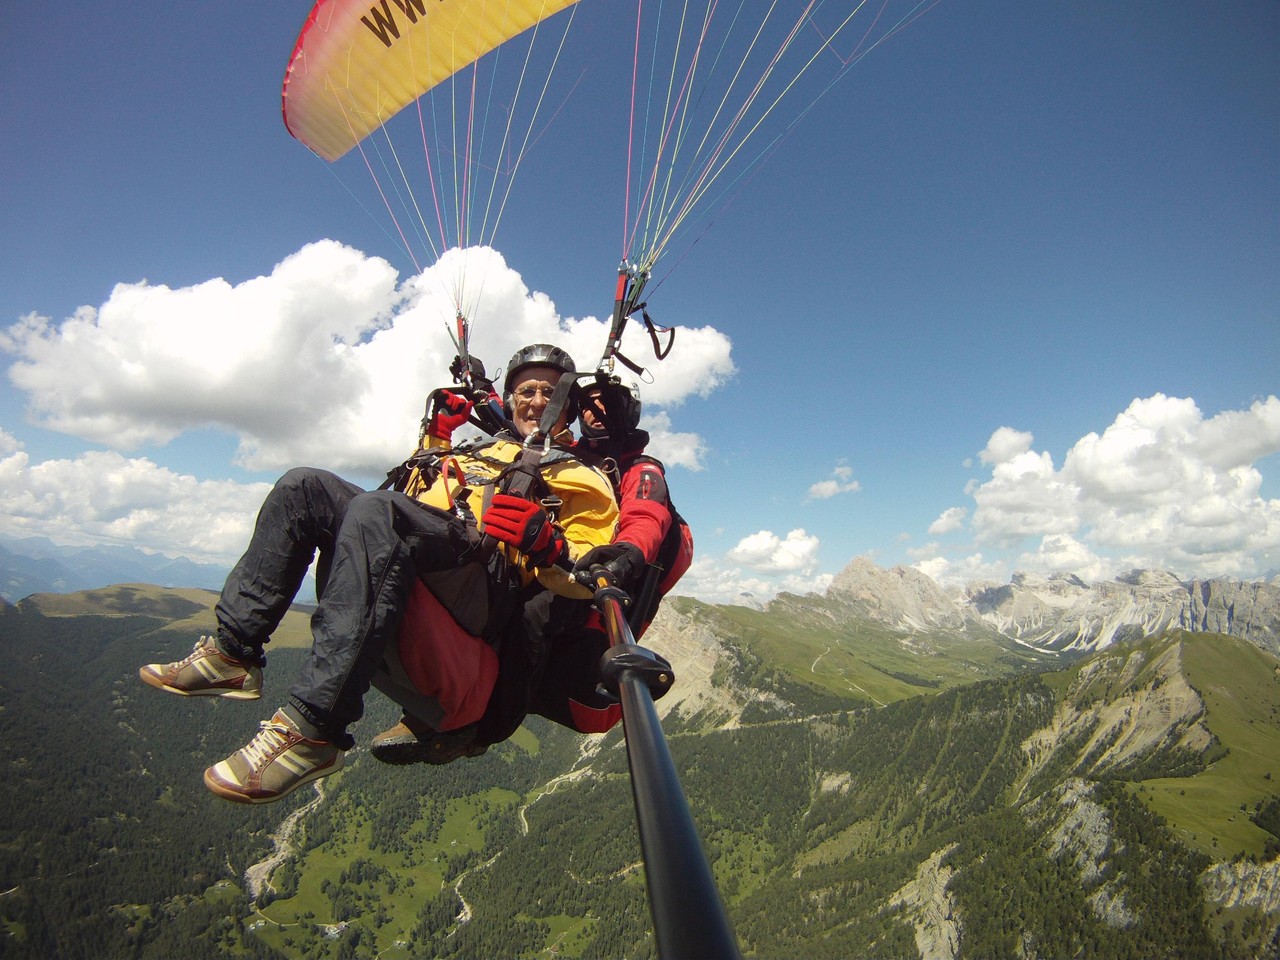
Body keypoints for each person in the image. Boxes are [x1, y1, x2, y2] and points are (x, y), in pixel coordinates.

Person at [139, 344, 618, 803]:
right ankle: (233, 652)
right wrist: (436, 440)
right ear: (511, 399)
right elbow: (419, 498)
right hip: (436, 555)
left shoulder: (579, 474)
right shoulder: (479, 451)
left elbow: (589, 573)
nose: (535, 402)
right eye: (525, 391)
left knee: (375, 511)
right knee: (304, 486)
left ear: (566, 406)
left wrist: (547, 545)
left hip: (484, 584)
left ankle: (313, 729)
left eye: (548, 392)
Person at [527, 377, 694, 734]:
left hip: (600, 591)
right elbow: (525, 431)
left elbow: (647, 513)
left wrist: (627, 553)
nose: (595, 410)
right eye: (587, 403)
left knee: (530, 614)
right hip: (571, 574)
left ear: (628, 411)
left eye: (607, 402)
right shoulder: (573, 459)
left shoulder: (641, 468)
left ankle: (479, 723)